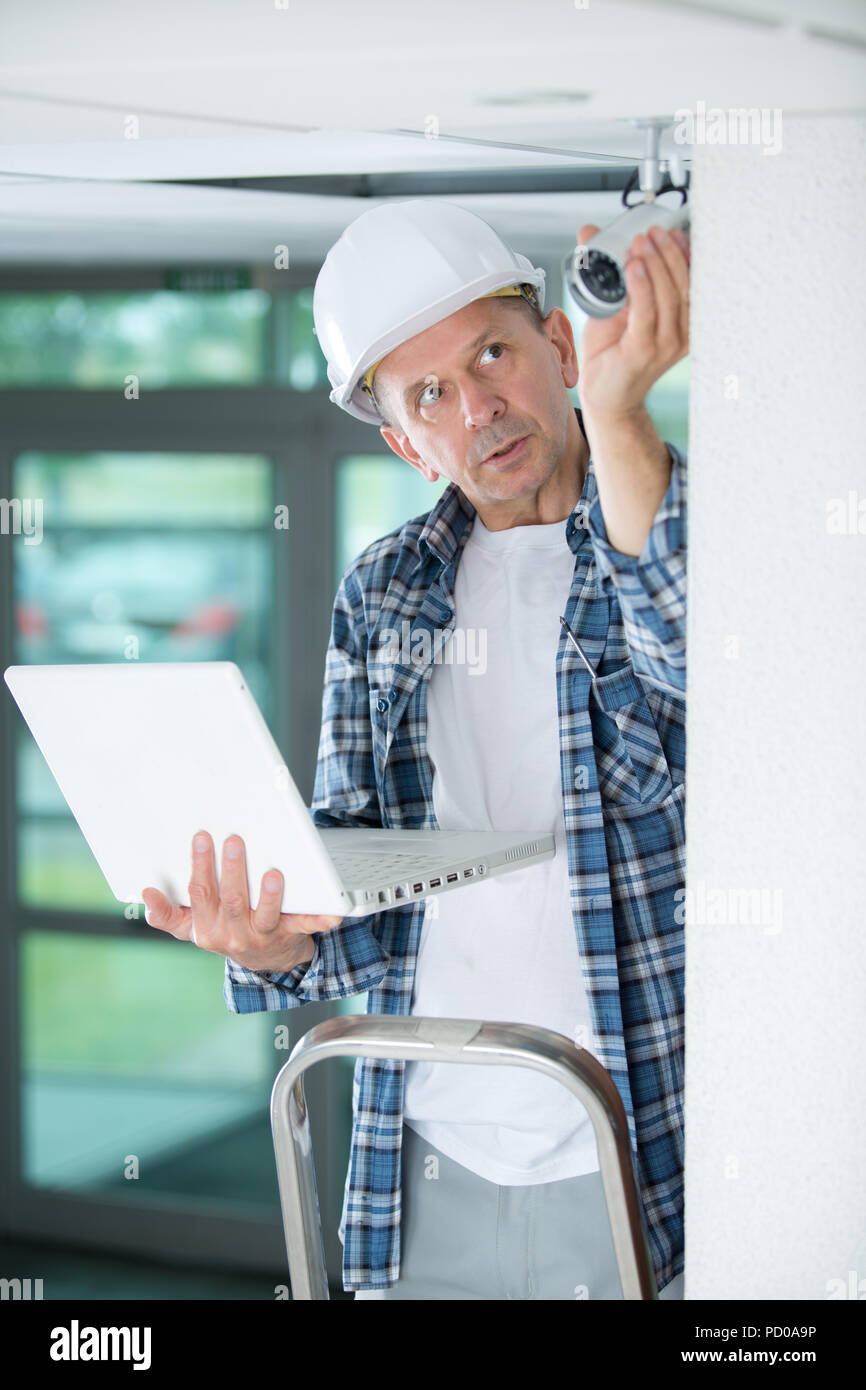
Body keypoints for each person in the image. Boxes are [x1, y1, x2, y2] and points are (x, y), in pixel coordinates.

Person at [143, 198, 689, 1300]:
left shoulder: (679, 523)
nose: (479, 406)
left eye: (492, 352)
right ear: (401, 439)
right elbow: (357, 891)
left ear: (554, 340)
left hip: (631, 1139)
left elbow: (691, 673)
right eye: (430, 393)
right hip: (425, 1142)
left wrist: (623, 421)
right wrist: (267, 942)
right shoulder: (384, 590)